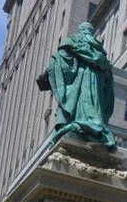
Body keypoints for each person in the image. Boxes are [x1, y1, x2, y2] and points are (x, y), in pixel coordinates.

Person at [45, 22, 116, 150]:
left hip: (81, 78)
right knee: (94, 105)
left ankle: (84, 126)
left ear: (80, 30)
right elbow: (107, 72)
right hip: (97, 80)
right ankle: (92, 127)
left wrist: (51, 67)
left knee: (81, 102)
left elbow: (62, 58)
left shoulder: (73, 40)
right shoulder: (99, 49)